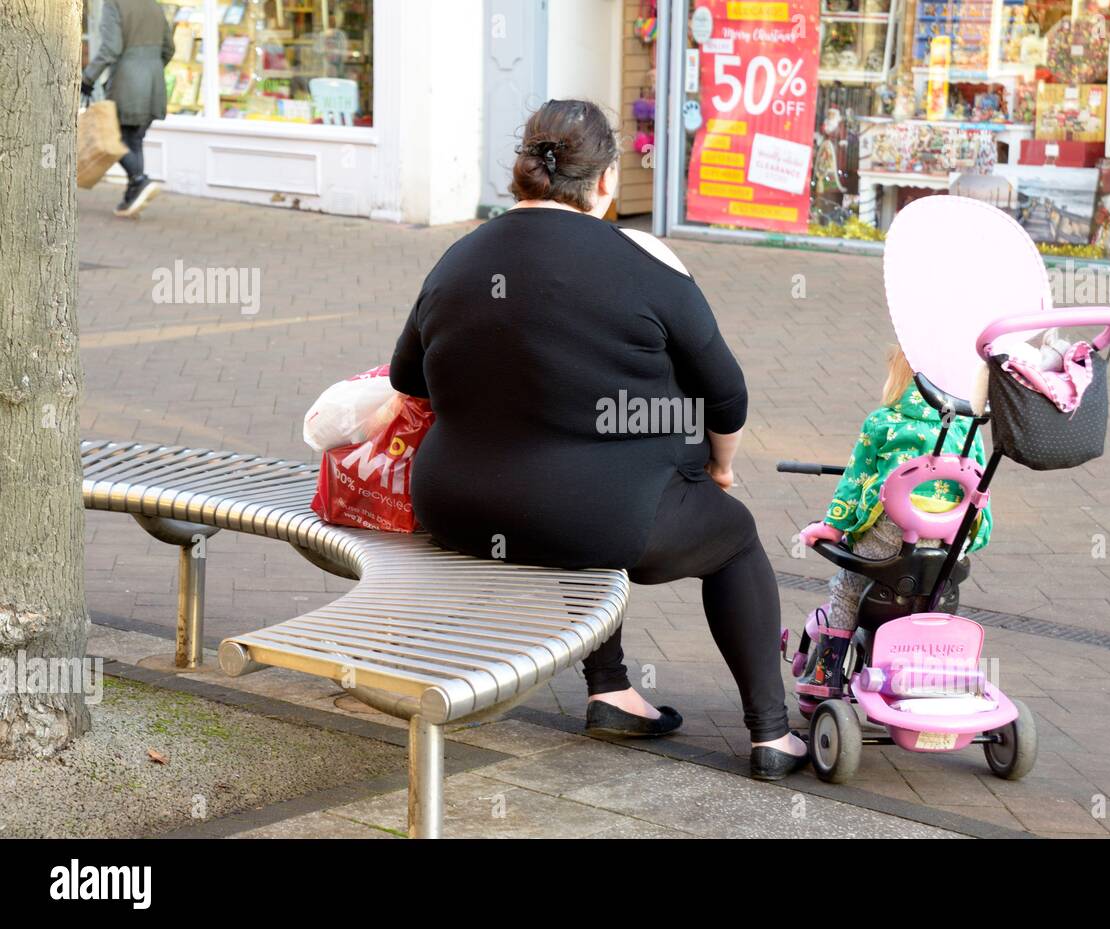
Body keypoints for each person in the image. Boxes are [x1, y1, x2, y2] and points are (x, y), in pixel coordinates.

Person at [387, 99, 808, 780]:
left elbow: (409, 377)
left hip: (455, 508)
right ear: (606, 180)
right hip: (594, 515)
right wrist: (720, 468)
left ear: (523, 172)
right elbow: (725, 392)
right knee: (732, 538)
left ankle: (611, 687)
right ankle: (771, 734)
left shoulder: (458, 257)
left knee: (576, 485)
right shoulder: (645, 260)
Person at [797, 345, 992, 696]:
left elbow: (854, 484)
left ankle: (825, 679)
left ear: (900, 376)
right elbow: (978, 481)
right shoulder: (968, 426)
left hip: (892, 539)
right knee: (929, 592)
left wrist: (832, 526)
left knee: (846, 590)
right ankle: (920, 665)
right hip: (949, 543)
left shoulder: (881, 422)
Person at [82, 0, 173, 217]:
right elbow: (169, 48)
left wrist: (88, 78)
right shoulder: (154, 5)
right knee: (134, 139)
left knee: (112, 139)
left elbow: (111, 49)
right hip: (154, 81)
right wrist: (151, 67)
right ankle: (132, 197)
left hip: (128, 81)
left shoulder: (114, 4)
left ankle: (139, 180)